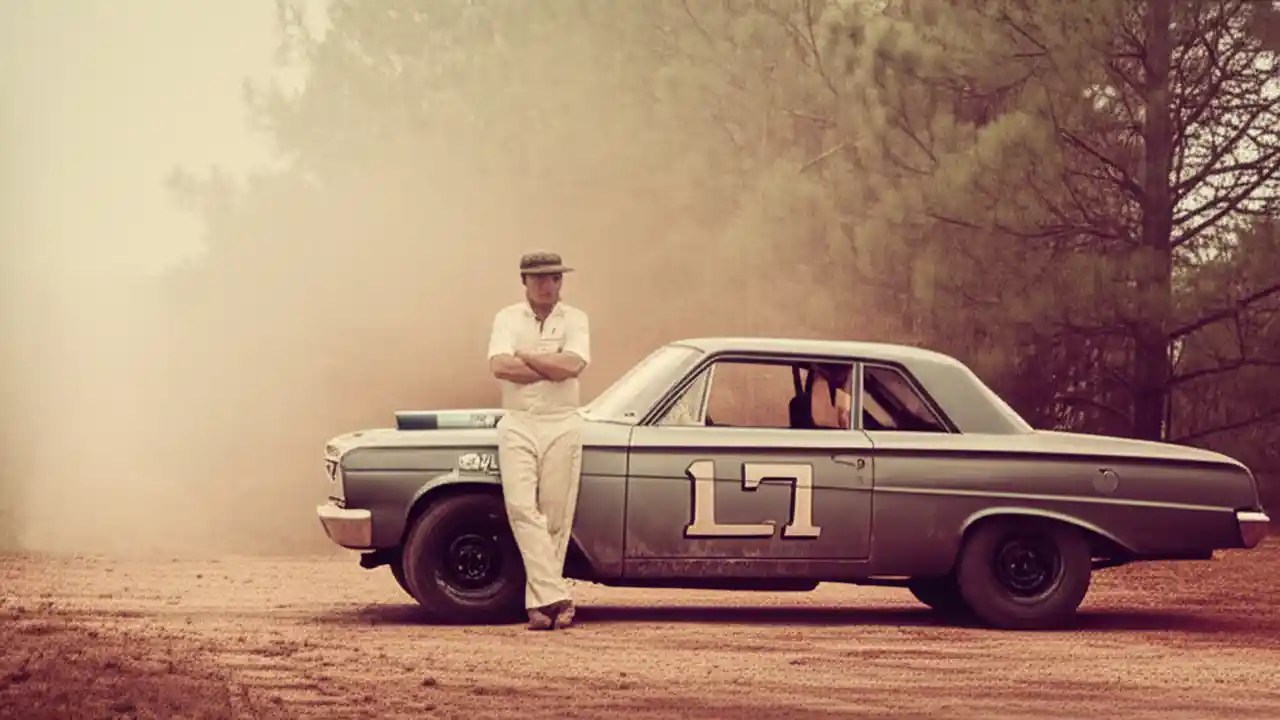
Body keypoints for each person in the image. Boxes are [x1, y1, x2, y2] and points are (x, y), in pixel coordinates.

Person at [486, 251, 590, 630]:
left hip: (562, 421)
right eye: (540, 278)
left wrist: (527, 357)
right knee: (519, 506)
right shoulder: (507, 317)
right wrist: (552, 366)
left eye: (555, 278)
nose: (548, 285)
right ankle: (556, 597)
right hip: (518, 421)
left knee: (555, 513)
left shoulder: (575, 318)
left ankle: (539, 605)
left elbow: (574, 365)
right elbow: (499, 366)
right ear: (524, 281)